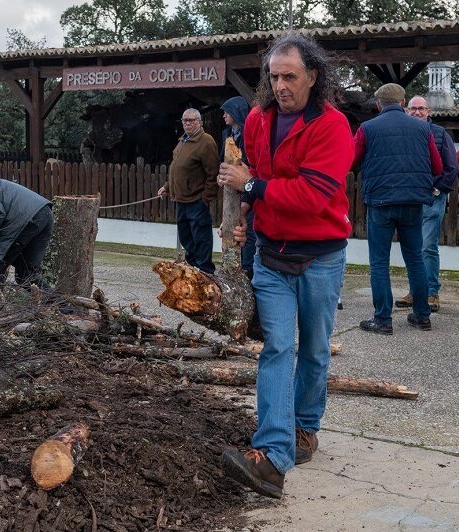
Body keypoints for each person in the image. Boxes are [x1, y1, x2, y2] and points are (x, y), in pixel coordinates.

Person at [215, 33, 354, 499]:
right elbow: (253, 179)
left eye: (289, 76)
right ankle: (273, 456)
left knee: (314, 349)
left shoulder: (334, 128)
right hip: (272, 256)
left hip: (320, 257)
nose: (280, 85)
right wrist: (246, 224)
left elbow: (312, 197)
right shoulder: (256, 120)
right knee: (277, 347)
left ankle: (305, 429)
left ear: (312, 77)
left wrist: (252, 188)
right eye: (274, 76)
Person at [354, 83, 443, 336]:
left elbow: (351, 159)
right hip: (413, 203)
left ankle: (383, 319)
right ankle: (422, 315)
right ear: (403, 103)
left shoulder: (367, 128)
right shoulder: (423, 128)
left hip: (381, 202)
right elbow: (437, 167)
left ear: (379, 104)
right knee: (415, 257)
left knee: (379, 262)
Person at [394, 95, 458, 313]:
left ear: (428, 111)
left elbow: (451, 167)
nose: (417, 112)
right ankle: (416, 292)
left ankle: (431, 293)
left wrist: (438, 189)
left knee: (427, 247)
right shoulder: (403, 134)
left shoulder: (440, 134)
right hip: (409, 199)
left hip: (432, 199)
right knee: (412, 248)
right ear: (406, 111)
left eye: (421, 109)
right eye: (413, 109)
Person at [158, 108, 219, 275]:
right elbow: (177, 168)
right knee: (185, 237)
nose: (187, 123)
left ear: (199, 122)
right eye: (185, 120)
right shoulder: (182, 141)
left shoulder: (206, 142)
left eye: (191, 120)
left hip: (196, 200)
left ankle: (205, 270)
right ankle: (193, 268)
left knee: (201, 237)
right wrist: (167, 187)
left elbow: (213, 173)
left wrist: (206, 198)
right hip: (181, 200)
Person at [219, 96, 255, 277]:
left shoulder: (250, 133)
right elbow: (222, 161)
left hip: (250, 192)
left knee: (248, 234)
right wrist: (222, 175)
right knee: (232, 231)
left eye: (227, 111)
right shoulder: (227, 135)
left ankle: (248, 272)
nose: (224, 115)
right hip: (232, 193)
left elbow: (250, 166)